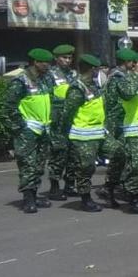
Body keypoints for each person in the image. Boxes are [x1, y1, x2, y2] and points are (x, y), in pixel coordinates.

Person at [7, 48, 55, 213]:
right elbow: (6, 106)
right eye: (45, 63)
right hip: (27, 131)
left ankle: (34, 195)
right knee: (28, 164)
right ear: (35, 62)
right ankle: (28, 199)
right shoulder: (20, 81)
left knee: (39, 165)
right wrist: (20, 126)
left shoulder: (45, 79)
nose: (48, 66)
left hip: (43, 129)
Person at [60, 53, 107, 212]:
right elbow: (67, 114)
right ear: (92, 69)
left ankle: (110, 189)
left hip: (99, 132)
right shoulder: (77, 88)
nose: (98, 72)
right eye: (97, 69)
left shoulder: (94, 86)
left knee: (120, 153)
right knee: (86, 167)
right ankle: (85, 199)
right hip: (83, 135)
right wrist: (68, 135)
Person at [98, 47, 138, 209]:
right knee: (120, 155)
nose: (134, 65)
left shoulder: (119, 75)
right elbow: (128, 93)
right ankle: (110, 187)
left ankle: (114, 186)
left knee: (123, 155)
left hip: (120, 119)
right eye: (132, 62)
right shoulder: (118, 77)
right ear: (127, 62)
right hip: (116, 121)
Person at [46, 44, 77, 200]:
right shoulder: (50, 75)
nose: (67, 60)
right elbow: (47, 97)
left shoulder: (73, 74)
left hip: (73, 120)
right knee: (58, 152)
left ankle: (70, 184)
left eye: (70, 57)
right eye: (64, 57)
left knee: (73, 153)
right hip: (57, 121)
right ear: (56, 58)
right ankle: (54, 186)